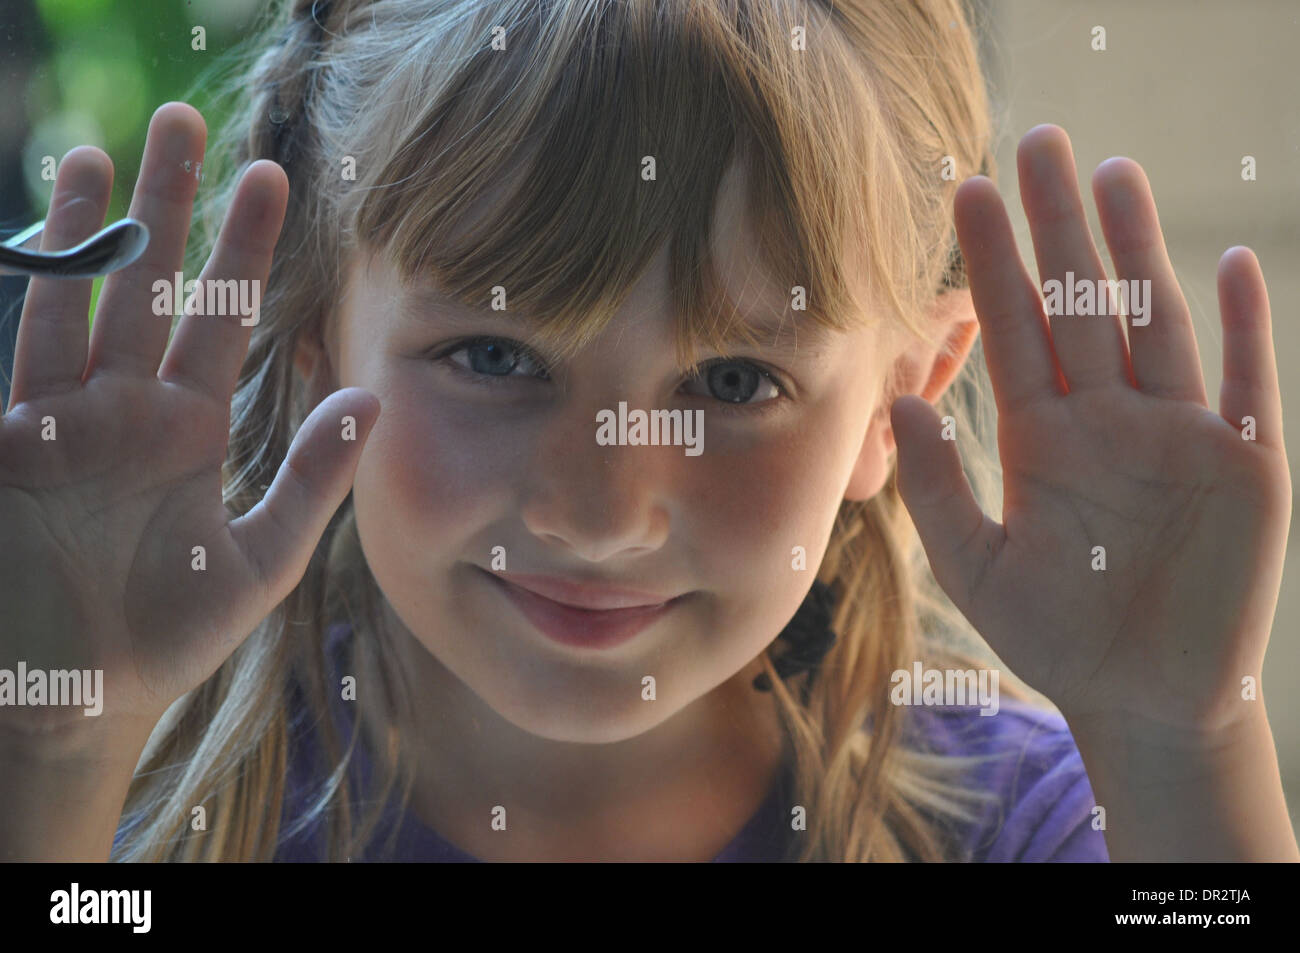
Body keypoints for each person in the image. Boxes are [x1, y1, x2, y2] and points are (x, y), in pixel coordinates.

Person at [1, 0, 1293, 863]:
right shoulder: (129, 816)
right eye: (494, 356)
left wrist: (1180, 747)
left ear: (905, 393)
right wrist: (52, 747)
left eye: (733, 382)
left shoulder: (1022, 825)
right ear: (312, 335)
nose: (600, 509)